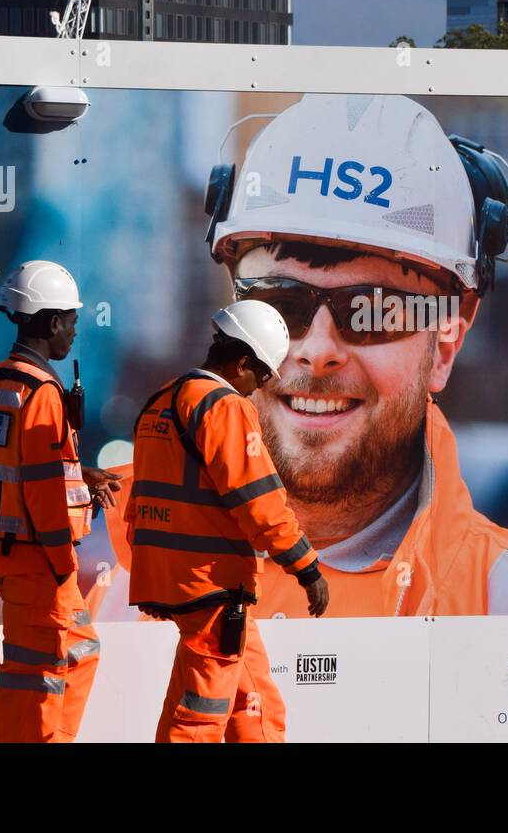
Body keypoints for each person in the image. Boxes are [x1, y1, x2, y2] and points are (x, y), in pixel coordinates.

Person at [198, 92, 508, 619]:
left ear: (445, 345)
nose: (318, 351)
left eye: (373, 310)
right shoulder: (123, 590)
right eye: (280, 303)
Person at [126, 300, 329, 743]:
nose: (258, 388)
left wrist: (157, 576)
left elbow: (139, 501)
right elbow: (259, 503)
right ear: (241, 363)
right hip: (213, 587)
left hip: (186, 583)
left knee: (256, 706)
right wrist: (306, 567)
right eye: (261, 375)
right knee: (199, 718)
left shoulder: (162, 400)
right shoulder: (224, 406)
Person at [0, 260, 121, 743]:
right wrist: (62, 563)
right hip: (42, 560)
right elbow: (41, 489)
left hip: (8, 555)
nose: (75, 331)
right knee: (62, 662)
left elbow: (22, 469)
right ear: (52, 321)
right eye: (72, 320)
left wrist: (83, 471)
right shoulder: (42, 394)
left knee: (28, 667)